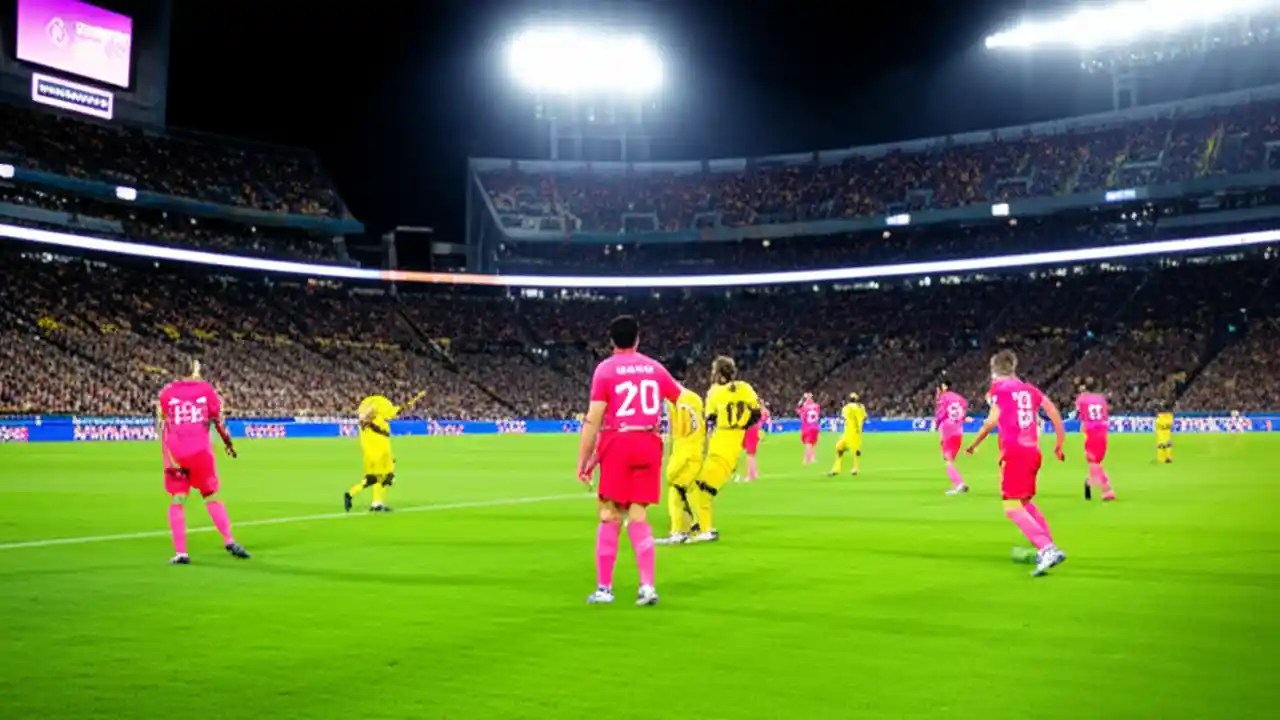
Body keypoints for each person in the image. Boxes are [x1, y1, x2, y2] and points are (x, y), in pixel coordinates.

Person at [577, 315, 683, 605]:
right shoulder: (654, 368)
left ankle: (604, 589)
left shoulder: (605, 371)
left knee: (610, 514)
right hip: (649, 443)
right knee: (638, 515)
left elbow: (593, 420)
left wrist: (584, 460)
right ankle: (647, 587)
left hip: (619, 443)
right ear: (638, 338)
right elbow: (681, 399)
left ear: (611, 341)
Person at [966, 350, 1068, 577]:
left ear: (993, 370)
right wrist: (1059, 443)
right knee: (1024, 502)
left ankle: (1047, 548)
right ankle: (1048, 546)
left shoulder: (997, 391)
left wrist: (974, 443)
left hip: (1015, 451)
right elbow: (1052, 411)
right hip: (1033, 451)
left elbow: (992, 421)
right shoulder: (1030, 390)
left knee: (1011, 507)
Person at [158, 360, 249, 565]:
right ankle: (229, 540)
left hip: (176, 455)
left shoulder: (166, 393)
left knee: (178, 500)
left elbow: (164, 421)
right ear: (195, 370)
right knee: (211, 495)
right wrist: (228, 444)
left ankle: (181, 553)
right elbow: (218, 421)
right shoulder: (206, 390)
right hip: (200, 453)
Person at [693, 356, 761, 542]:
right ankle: (698, 523)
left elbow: (710, 420)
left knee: (701, 488)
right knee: (699, 485)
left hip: (720, 445)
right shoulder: (745, 388)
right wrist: (741, 427)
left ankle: (705, 529)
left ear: (719, 373)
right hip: (734, 445)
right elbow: (756, 413)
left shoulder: (714, 393)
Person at [345, 391, 425, 512]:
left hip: (371, 454)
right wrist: (411, 402)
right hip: (378, 453)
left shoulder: (368, 424)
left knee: (375, 478)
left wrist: (410, 402)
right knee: (383, 477)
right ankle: (359, 496)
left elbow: (395, 412)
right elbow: (395, 412)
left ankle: (374, 502)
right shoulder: (376, 421)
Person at [656, 385, 706, 545]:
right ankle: (698, 524)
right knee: (688, 488)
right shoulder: (695, 397)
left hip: (684, 451)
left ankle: (678, 532)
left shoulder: (676, 401)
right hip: (696, 449)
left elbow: (679, 431)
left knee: (674, 486)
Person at [1075, 383, 1115, 501]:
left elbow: (1081, 417)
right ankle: (1092, 481)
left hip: (1092, 432)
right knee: (1096, 461)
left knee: (1093, 461)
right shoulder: (1100, 399)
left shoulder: (1081, 400)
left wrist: (1083, 431)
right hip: (1103, 432)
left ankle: (1107, 490)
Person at [935, 381, 969, 495]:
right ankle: (959, 483)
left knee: (947, 460)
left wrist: (937, 427)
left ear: (944, 387)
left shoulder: (943, 398)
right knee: (950, 459)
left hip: (948, 430)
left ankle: (959, 484)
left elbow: (941, 414)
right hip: (959, 431)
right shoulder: (960, 399)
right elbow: (963, 413)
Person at [828, 393, 867, 476]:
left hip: (848, 432)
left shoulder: (847, 407)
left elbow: (843, 416)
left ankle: (837, 469)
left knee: (840, 449)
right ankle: (854, 469)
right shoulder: (861, 407)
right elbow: (865, 417)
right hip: (857, 432)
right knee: (855, 450)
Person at [738, 400, 770, 482]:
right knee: (752, 454)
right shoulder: (761, 411)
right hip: (754, 430)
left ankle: (749, 475)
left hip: (750, 430)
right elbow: (766, 417)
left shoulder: (750, 410)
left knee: (749, 454)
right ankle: (754, 473)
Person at [797, 393, 821, 465]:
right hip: (815, 427)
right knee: (813, 443)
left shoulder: (804, 408)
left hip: (807, 427)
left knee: (808, 444)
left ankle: (805, 460)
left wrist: (803, 398)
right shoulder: (817, 406)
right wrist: (808, 397)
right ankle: (812, 458)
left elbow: (799, 410)